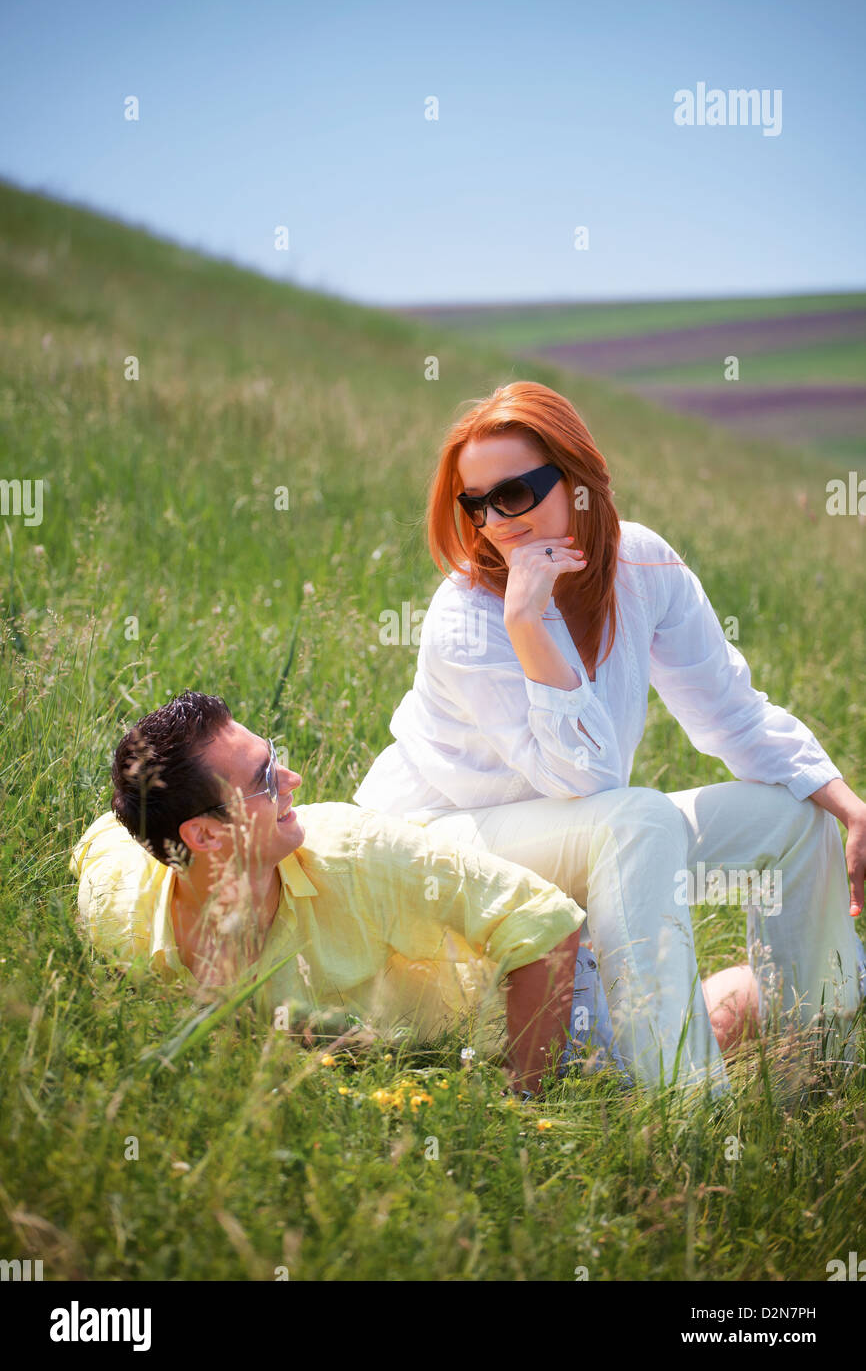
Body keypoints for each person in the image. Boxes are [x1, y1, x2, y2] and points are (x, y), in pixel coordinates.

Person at [353, 380, 866, 1092]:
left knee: (793, 815)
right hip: (449, 840)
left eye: (515, 494)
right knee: (636, 820)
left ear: (580, 479)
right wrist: (528, 626)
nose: (495, 521)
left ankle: (821, 1073)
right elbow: (584, 783)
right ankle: (690, 1114)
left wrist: (848, 804)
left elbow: (732, 714)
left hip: (592, 836)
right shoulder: (468, 615)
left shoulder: (644, 566)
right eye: (476, 503)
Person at [71, 690, 598, 1096]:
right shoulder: (118, 906)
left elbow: (546, 922)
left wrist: (524, 1107)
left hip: (558, 1012)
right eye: (265, 781)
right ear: (204, 836)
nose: (293, 778)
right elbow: (103, 836)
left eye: (273, 758)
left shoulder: (356, 853)